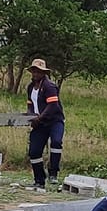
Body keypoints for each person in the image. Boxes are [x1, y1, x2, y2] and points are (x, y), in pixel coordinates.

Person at [25, 58, 64, 190]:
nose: (36, 74)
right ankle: (39, 180)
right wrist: (31, 117)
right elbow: (30, 105)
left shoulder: (49, 87)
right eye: (34, 71)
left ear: (44, 73)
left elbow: (52, 106)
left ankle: (53, 172)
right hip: (39, 123)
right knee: (34, 151)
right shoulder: (30, 87)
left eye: (39, 71)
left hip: (54, 121)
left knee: (56, 142)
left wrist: (39, 118)